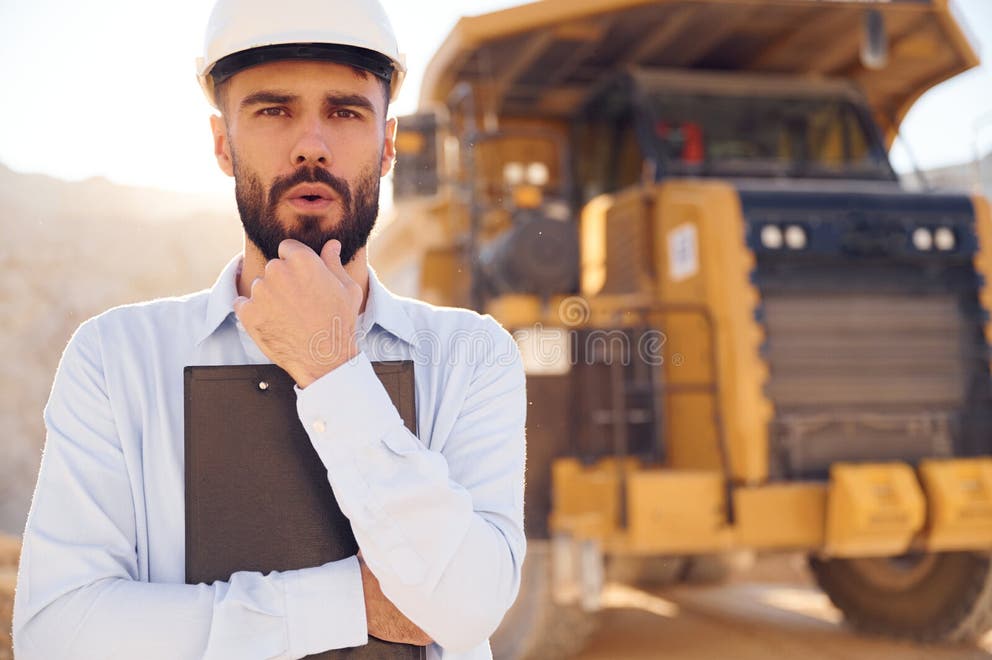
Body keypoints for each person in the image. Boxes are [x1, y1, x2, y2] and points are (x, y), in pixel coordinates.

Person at [11, 0, 527, 658]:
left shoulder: (471, 356)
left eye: (344, 110)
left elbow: (468, 606)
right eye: (273, 109)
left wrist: (331, 366)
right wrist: (349, 605)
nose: (311, 143)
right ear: (223, 144)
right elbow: (56, 636)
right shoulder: (116, 360)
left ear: (388, 145)